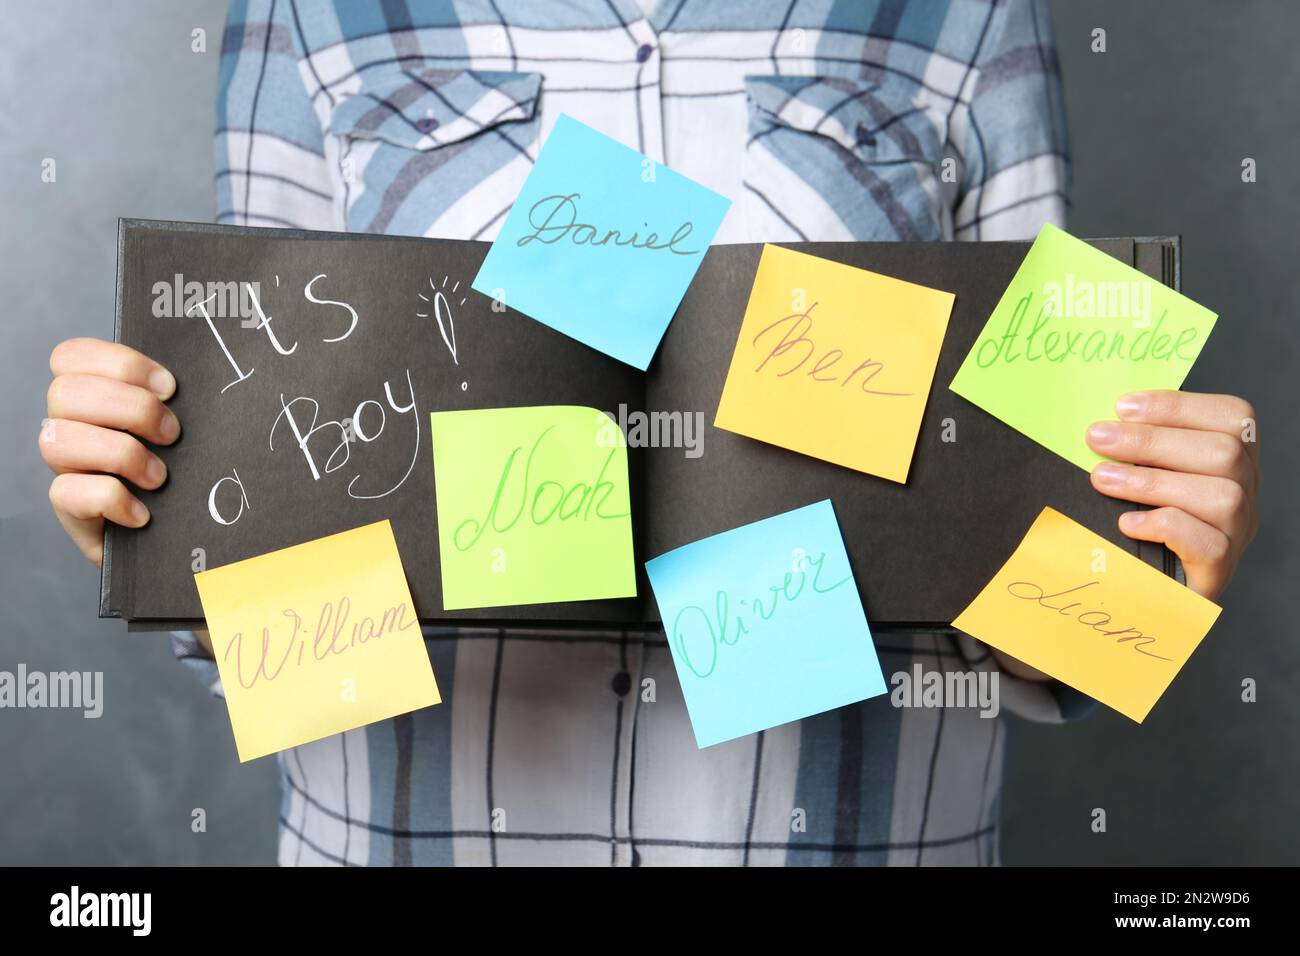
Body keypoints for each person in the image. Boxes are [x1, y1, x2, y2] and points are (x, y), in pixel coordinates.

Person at [39, 0, 1259, 865]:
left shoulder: (967, 17)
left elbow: (1013, 524)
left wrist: (1140, 576)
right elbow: (281, 535)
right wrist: (161, 522)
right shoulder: (315, 15)